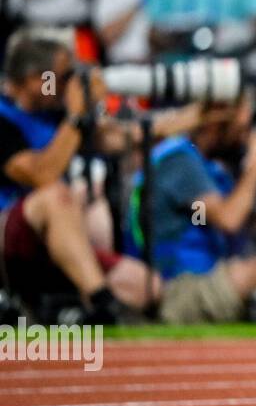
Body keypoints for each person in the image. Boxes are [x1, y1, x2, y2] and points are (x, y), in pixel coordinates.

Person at [0, 33, 156, 323]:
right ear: (37, 79)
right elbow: (41, 174)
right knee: (56, 196)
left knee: (146, 285)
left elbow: (126, 136)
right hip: (9, 235)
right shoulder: (5, 117)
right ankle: (101, 301)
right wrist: (76, 117)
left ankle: (72, 310)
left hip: (55, 240)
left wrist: (195, 117)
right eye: (64, 76)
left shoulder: (56, 117)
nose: (70, 84)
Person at [129, 95, 256, 325]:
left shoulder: (206, 165)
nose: (244, 137)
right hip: (180, 289)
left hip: (202, 280)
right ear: (216, 124)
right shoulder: (179, 159)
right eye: (241, 128)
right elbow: (230, 219)